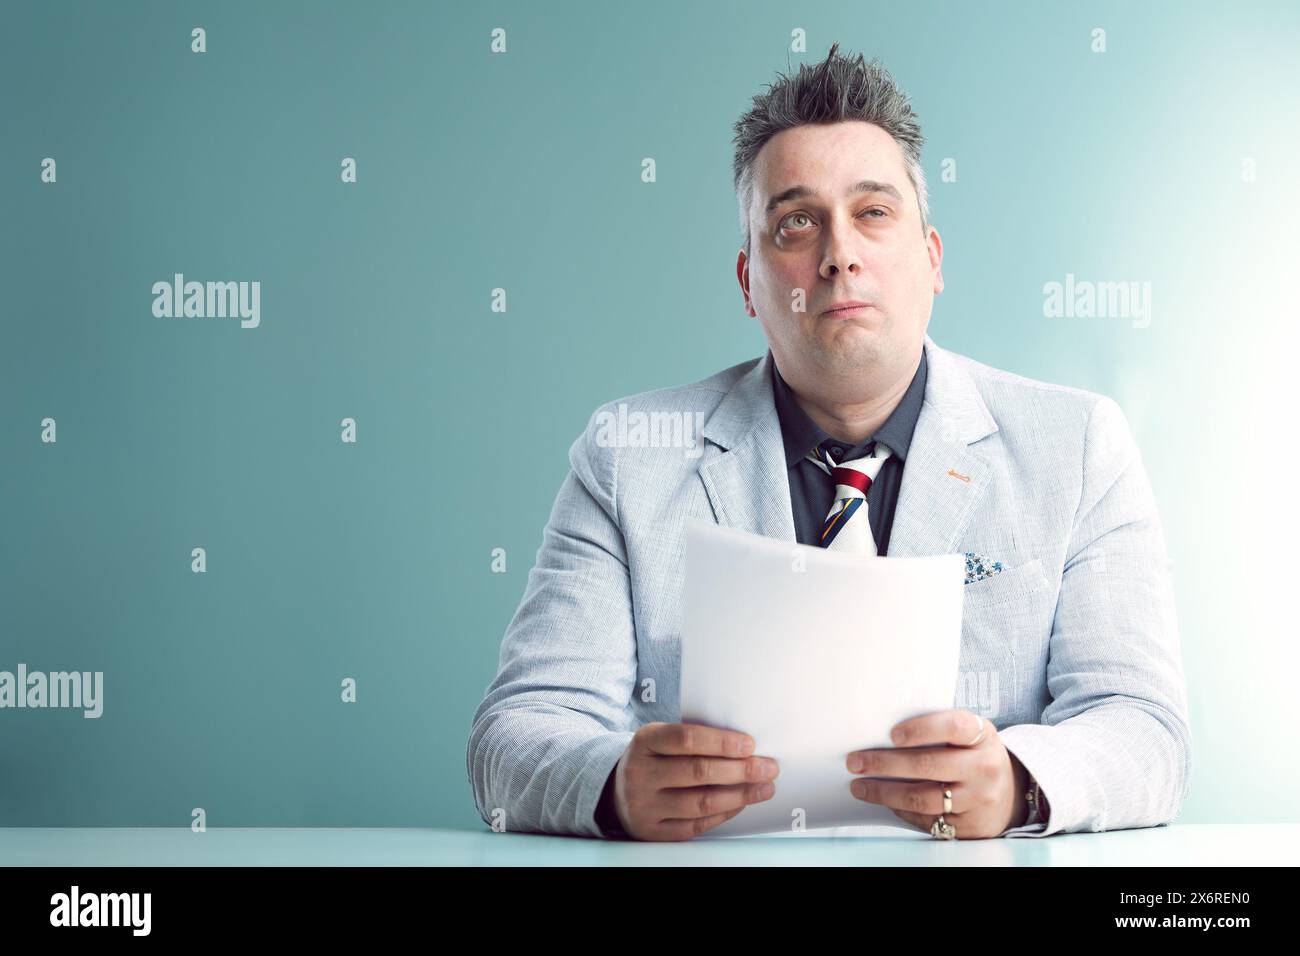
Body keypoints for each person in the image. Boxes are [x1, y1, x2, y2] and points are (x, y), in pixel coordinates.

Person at [466, 43, 1191, 842]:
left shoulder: (1078, 447)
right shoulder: (627, 458)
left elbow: (1145, 728)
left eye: (873, 212)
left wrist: (1019, 784)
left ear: (931, 258)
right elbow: (515, 733)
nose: (839, 254)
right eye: (797, 222)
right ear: (749, 282)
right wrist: (614, 786)